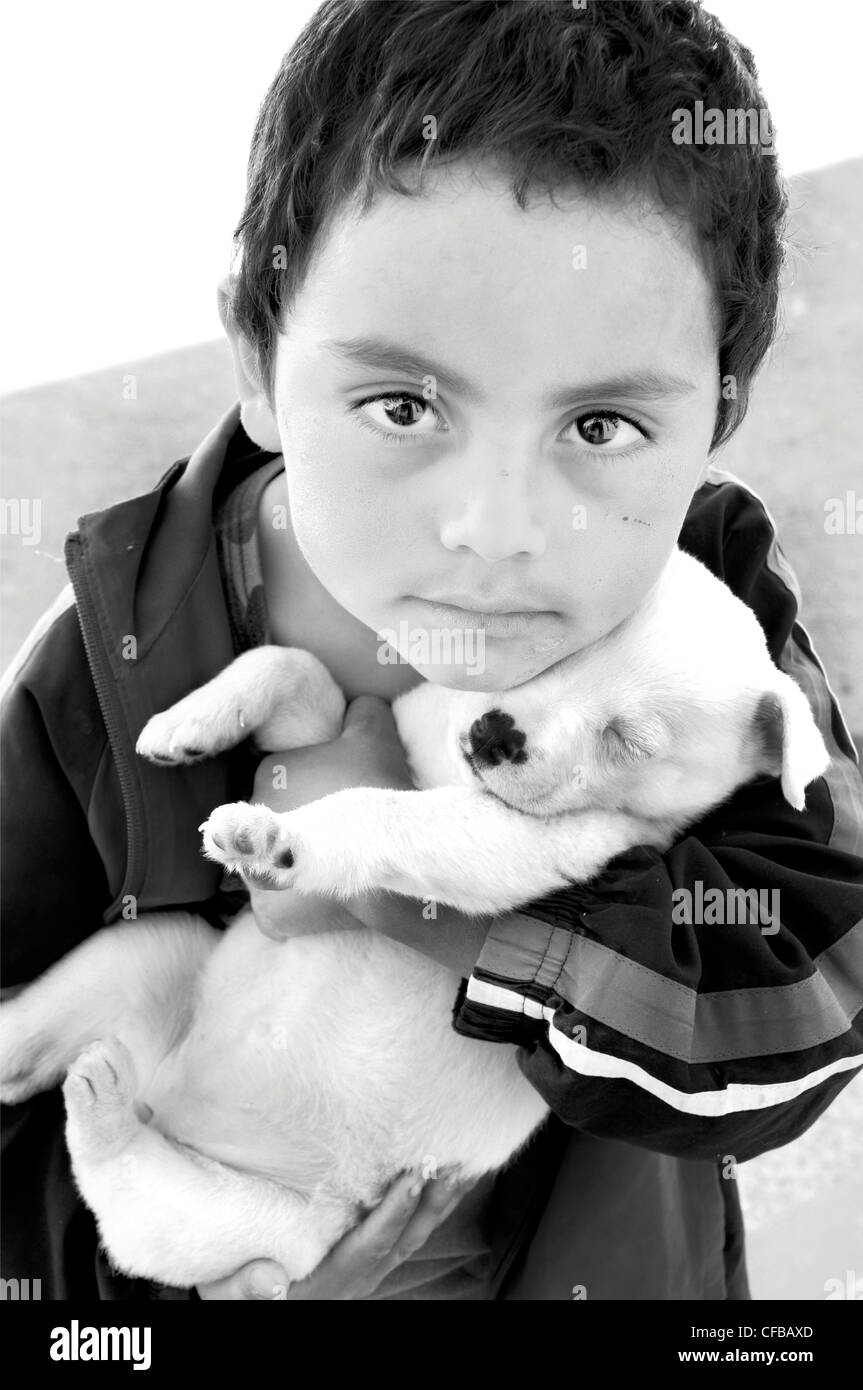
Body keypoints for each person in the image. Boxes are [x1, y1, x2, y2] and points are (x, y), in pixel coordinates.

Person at [2, 0, 862, 1302]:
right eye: (403, 403)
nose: (496, 532)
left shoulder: (713, 617)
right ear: (257, 357)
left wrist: (415, 903)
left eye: (605, 423)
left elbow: (813, 997)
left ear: (718, 417)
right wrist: (174, 1286)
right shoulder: (102, 648)